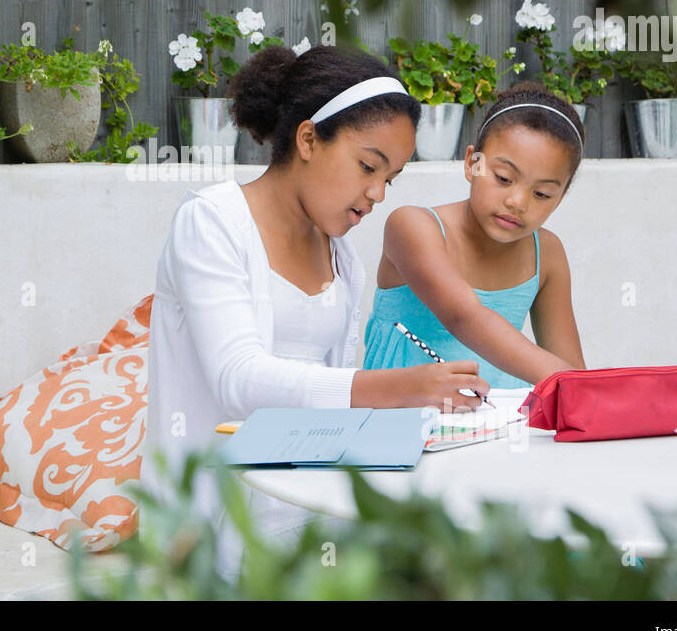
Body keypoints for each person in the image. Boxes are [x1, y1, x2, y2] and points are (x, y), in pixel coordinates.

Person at [139, 44, 487, 584]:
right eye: (368, 166)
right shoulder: (210, 223)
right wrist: (401, 386)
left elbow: (330, 411)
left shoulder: (342, 257)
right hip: (208, 532)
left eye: (389, 179)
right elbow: (239, 379)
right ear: (307, 139)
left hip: (308, 526)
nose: (376, 193)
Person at [363, 80, 587, 389]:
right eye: (504, 178)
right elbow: (463, 317)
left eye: (543, 193)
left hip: (507, 426)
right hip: (403, 424)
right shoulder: (412, 227)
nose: (517, 203)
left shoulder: (546, 253)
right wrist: (580, 385)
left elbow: (572, 371)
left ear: (561, 196)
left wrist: (594, 393)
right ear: (472, 163)